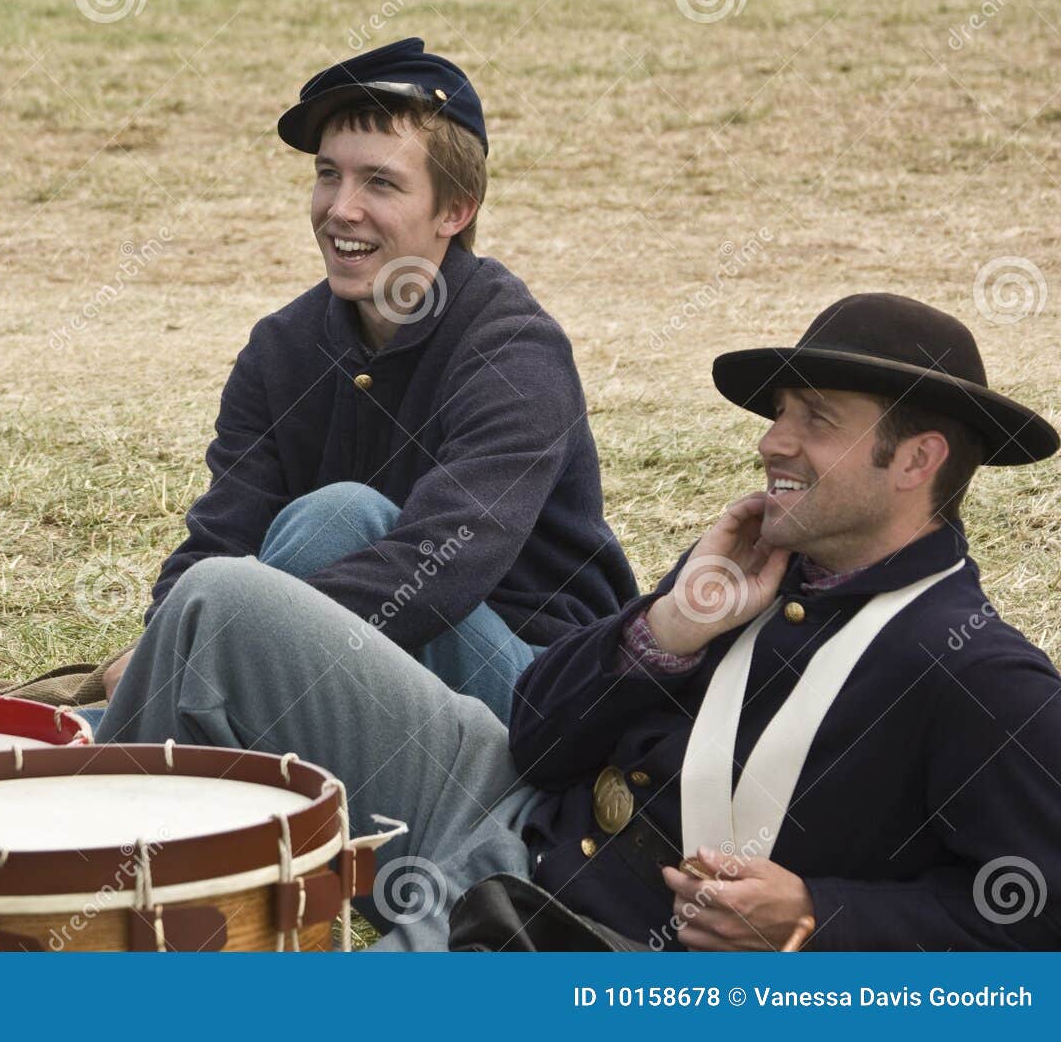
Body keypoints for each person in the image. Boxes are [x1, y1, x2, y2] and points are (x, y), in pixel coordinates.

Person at [98, 292, 1061, 951]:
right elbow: (535, 728)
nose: (774, 441)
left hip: (587, 946)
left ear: (916, 458)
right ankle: (65, 910)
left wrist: (819, 915)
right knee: (219, 599)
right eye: (779, 412)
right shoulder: (749, 562)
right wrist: (670, 625)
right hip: (506, 809)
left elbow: (1031, 918)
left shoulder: (979, 674)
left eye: (816, 417)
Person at [103, 39, 635, 721]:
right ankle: (156, 751)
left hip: (534, 698)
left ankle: (156, 752)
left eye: (379, 183)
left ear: (455, 211)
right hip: (360, 672)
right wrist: (164, 640)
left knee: (338, 517)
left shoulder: (514, 349)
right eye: (329, 174)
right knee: (280, 561)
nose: (340, 209)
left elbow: (441, 567)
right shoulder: (281, 349)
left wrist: (228, 640)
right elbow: (220, 537)